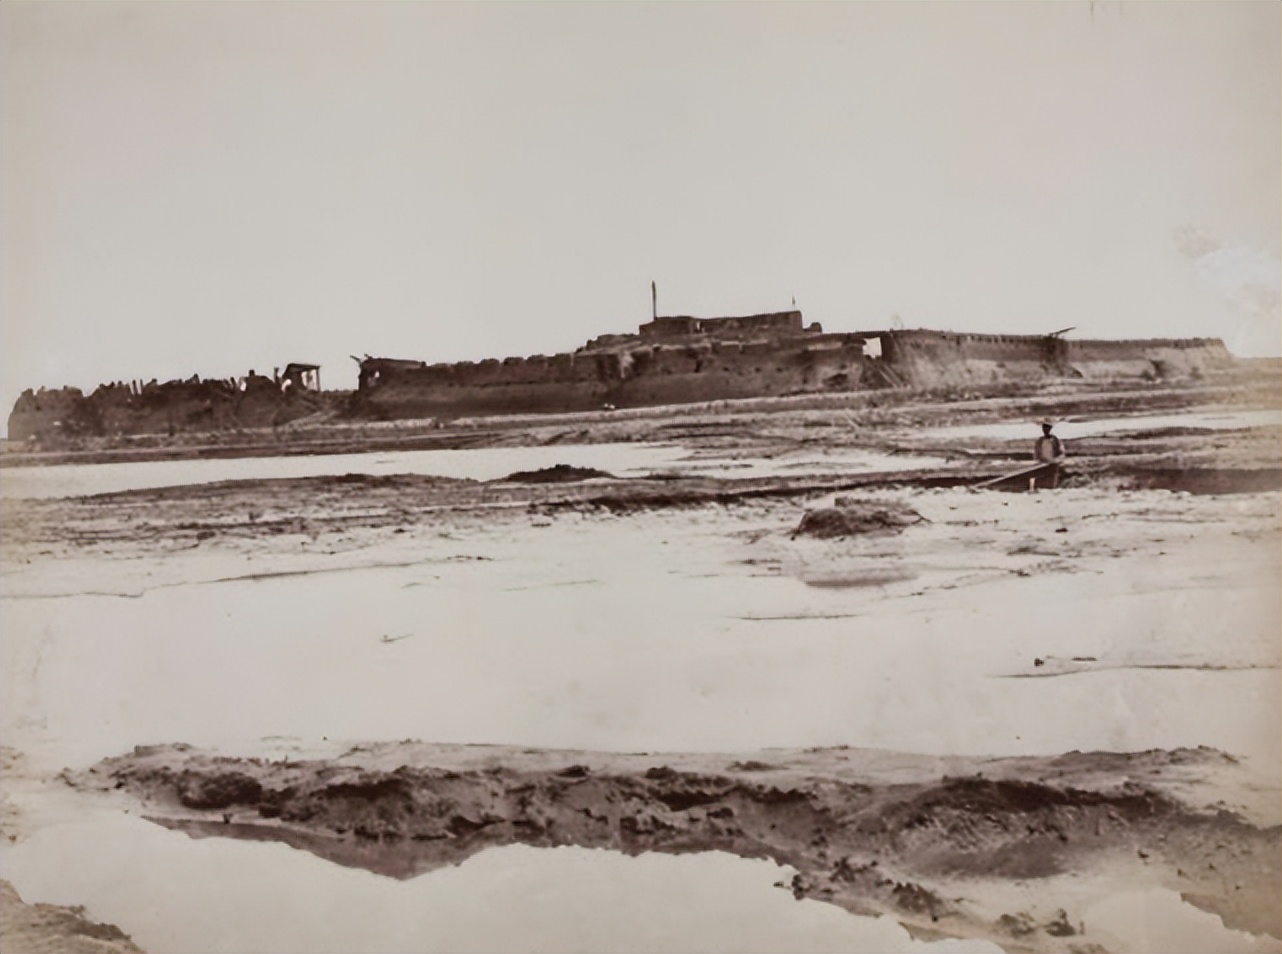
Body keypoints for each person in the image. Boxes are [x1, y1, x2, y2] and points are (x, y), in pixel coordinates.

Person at [1031, 420, 1065, 490]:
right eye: (1044, 429)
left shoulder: (1055, 440)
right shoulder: (1040, 441)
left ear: (1050, 429)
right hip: (1042, 464)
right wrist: (1039, 460)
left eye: (1047, 428)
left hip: (1053, 463)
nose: (1045, 430)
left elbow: (1061, 452)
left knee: (1053, 479)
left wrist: (1057, 460)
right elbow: (1036, 452)